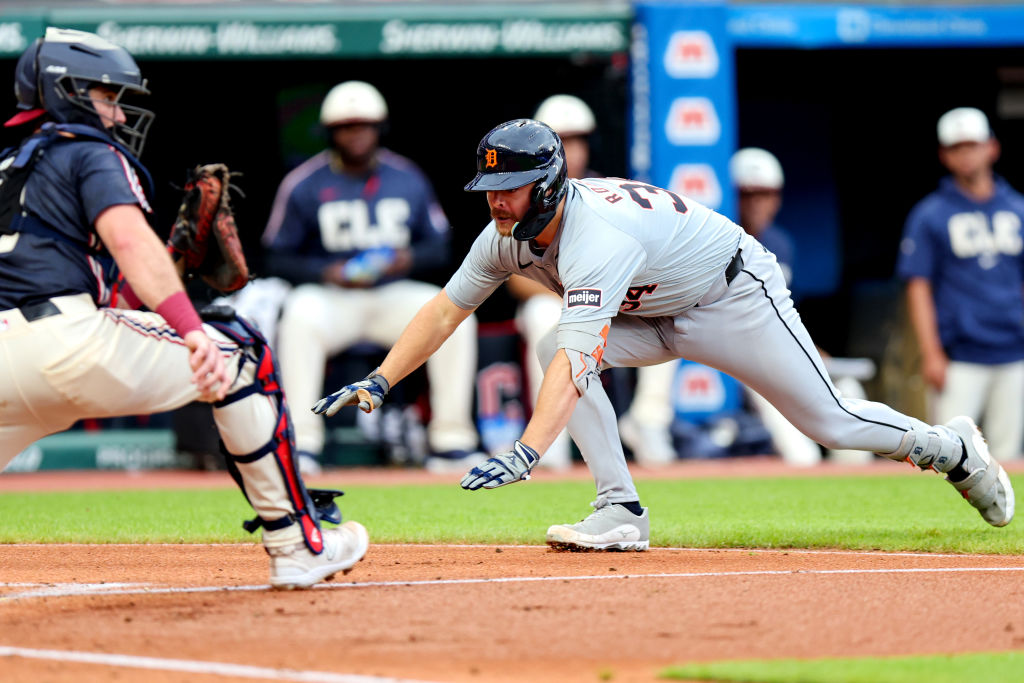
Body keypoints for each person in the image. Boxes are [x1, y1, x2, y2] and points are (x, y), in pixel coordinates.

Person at [313, 118, 1014, 552]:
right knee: (551, 341)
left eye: (516, 185)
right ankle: (619, 508)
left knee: (828, 420)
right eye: (493, 188)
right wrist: (380, 377)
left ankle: (947, 446)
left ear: (551, 185)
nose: (499, 200)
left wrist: (527, 451)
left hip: (731, 295)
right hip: (655, 309)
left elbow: (583, 352)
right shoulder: (505, 235)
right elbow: (444, 310)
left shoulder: (595, 238)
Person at [0, 28, 368, 588]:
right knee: (243, 353)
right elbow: (128, 240)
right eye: (106, 97)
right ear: (66, 92)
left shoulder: (9, 166)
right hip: (66, 343)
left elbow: (105, 287)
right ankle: (296, 542)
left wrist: (169, 267)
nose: (119, 115)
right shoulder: (86, 149)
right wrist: (191, 327)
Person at [262, 80, 484, 475]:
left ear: (379, 127)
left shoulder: (407, 176)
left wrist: (406, 259)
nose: (356, 134)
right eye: (346, 126)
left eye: (363, 125)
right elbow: (275, 256)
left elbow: (442, 247)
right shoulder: (304, 182)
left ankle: (451, 439)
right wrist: (323, 271)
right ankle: (304, 443)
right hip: (333, 297)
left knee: (455, 313)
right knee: (298, 313)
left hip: (391, 293)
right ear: (331, 132)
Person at [898, 107, 1024, 463]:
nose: (966, 154)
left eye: (972, 144)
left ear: (992, 148)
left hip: (1015, 350)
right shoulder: (930, 214)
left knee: (1009, 456)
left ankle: (1006, 522)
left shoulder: (1017, 208)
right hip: (960, 356)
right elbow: (918, 286)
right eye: (957, 147)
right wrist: (931, 352)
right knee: (949, 455)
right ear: (944, 154)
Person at [507, 94, 600, 470]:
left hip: (607, 303)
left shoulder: (609, 189)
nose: (572, 150)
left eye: (577, 140)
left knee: (665, 314)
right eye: (563, 141)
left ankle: (649, 423)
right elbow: (516, 281)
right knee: (544, 318)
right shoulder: (523, 196)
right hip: (555, 301)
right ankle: (551, 449)